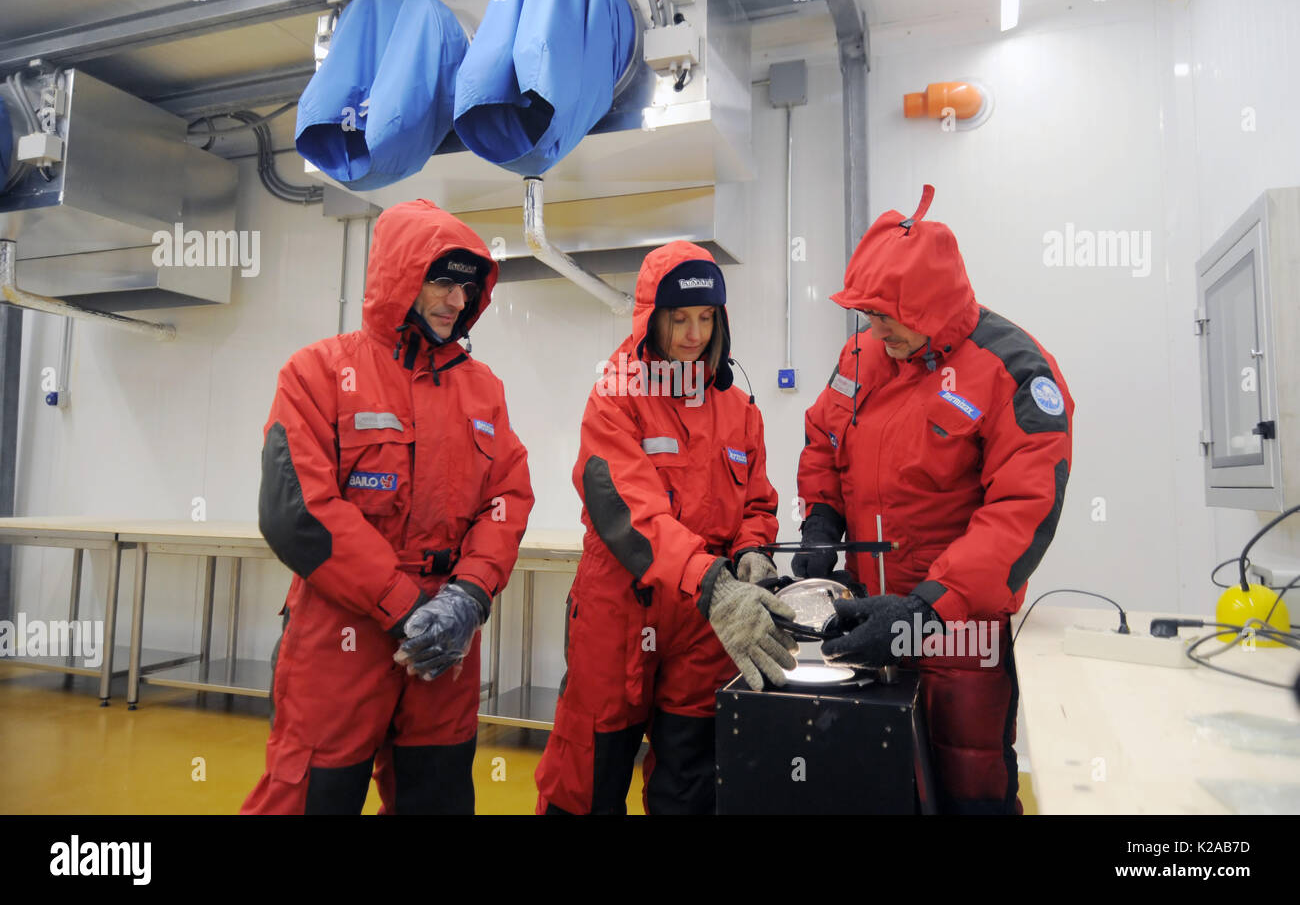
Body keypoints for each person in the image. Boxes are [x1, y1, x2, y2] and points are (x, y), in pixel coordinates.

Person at [242, 200, 534, 815]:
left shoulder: (485, 390)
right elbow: (297, 509)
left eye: (468, 287)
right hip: (342, 628)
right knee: (312, 799)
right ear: (400, 278)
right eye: (442, 281)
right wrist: (404, 607)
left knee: (439, 798)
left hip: (446, 640)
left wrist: (469, 597)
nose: (457, 301)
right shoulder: (318, 373)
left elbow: (506, 498)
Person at [795, 185, 1073, 815]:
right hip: (870, 621)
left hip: (959, 630)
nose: (874, 330)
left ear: (927, 304)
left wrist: (926, 609)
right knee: (877, 781)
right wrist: (821, 520)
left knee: (965, 787)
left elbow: (1021, 514)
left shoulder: (1015, 370)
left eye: (886, 316)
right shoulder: (864, 354)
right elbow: (824, 436)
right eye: (867, 316)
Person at [534, 241, 797, 815]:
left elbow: (757, 501)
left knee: (692, 777)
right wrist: (713, 582)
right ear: (650, 318)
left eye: (707, 318)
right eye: (679, 318)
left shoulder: (739, 409)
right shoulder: (615, 397)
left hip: (707, 621)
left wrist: (754, 551)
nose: (693, 334)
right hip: (622, 611)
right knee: (587, 778)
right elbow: (630, 512)